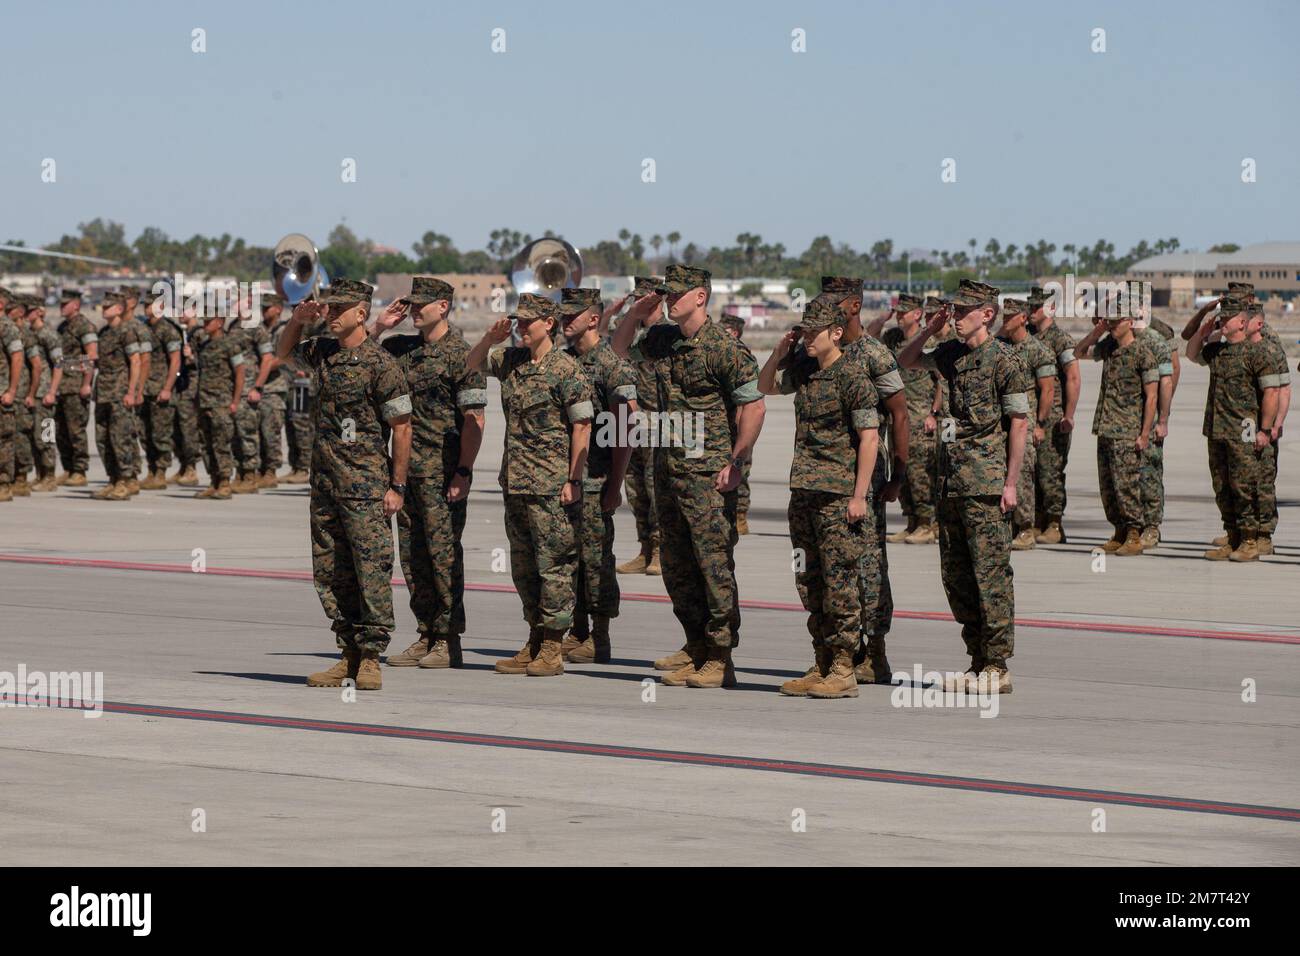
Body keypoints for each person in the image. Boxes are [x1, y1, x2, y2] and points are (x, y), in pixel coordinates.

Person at [625, 265, 765, 688]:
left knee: (713, 565)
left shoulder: (724, 347)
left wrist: (737, 462)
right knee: (677, 565)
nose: (670, 300)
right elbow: (617, 352)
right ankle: (695, 645)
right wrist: (634, 316)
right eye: (667, 294)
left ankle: (720, 657)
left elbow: (754, 407)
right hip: (668, 471)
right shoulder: (662, 340)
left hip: (708, 477)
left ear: (701, 296)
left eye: (678, 294)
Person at [276, 279, 412, 690]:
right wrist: (296, 321)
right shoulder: (323, 353)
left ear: (361, 313)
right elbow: (281, 354)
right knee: (331, 572)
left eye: (341, 309)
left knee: (370, 571)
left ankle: (370, 657)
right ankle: (348, 653)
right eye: (329, 309)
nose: (332, 315)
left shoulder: (380, 364)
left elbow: (402, 428)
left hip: (366, 487)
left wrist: (397, 487)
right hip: (326, 487)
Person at [898, 279, 1029, 694]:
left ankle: (997, 665)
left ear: (987, 314)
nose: (954, 317)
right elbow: (907, 360)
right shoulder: (950, 354)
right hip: (950, 482)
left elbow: (1019, 425)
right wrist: (928, 327)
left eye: (962, 311)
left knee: (990, 576)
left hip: (985, 484)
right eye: (952, 311)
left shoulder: (1004, 361)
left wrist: (1010, 484)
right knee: (956, 576)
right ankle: (976, 661)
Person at [465, 293, 594, 677]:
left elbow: (582, 427)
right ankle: (535, 638)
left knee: (553, 566)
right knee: (523, 568)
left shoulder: (566, 370)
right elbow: (468, 366)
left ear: (548, 324)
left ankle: (553, 646)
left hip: (552, 486)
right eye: (517, 321)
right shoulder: (511, 361)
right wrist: (490, 338)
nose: (520, 327)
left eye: (527, 322)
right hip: (517, 482)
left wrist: (573, 479)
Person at [760, 295, 879, 699]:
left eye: (814, 331)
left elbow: (869, 438)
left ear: (836, 333)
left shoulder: (854, 377)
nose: (807, 336)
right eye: (804, 329)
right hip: (804, 492)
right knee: (808, 581)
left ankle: (845, 667)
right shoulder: (805, 371)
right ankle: (823, 659)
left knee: (840, 582)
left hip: (837, 497)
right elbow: (764, 386)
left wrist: (859, 495)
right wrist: (779, 353)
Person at [373, 277, 486, 670]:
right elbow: (357, 361)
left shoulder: (462, 355)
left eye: (423, 304)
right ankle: (426, 632)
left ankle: (448, 639)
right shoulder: (400, 349)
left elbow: (475, 420)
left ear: (443, 306)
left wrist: (464, 472)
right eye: (411, 303)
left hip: (442, 475)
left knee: (442, 558)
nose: (415, 310)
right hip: (405, 473)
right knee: (413, 557)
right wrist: (379, 326)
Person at [804, 277, 907, 685]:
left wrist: (898, 475)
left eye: (830, 301)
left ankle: (875, 651)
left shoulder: (873, 354)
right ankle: (840, 651)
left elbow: (900, 415)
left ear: (851, 306)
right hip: (826, 478)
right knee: (834, 570)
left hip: (866, 479)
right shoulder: (821, 353)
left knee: (868, 565)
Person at [561, 286, 637, 663]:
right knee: (569, 559)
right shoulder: (562, 362)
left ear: (593, 319)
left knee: (597, 561)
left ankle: (600, 635)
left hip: (596, 481)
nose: (563, 321)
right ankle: (576, 631)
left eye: (571, 315)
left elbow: (624, 431)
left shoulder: (613, 366)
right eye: (561, 315)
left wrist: (615, 486)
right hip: (565, 481)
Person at [1187, 296, 1283, 562]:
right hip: (1217, 429)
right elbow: (1191, 353)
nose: (1222, 322)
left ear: (1242, 322)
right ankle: (1232, 537)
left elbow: (1272, 393)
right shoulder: (1218, 351)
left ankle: (1250, 540)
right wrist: (1204, 332)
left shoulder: (1258, 353)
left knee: (1244, 487)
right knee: (1222, 487)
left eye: (1226, 318)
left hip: (1244, 431)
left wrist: (1265, 430)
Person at [1074, 296, 1159, 556]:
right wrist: (1097, 331)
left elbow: (1152, 396)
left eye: (1115, 321)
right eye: (1109, 321)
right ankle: (1119, 531)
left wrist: (1145, 433)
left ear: (1130, 322)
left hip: (1128, 430)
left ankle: (1134, 533)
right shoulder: (1108, 347)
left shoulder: (1143, 353)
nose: (1111, 325)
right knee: (1108, 486)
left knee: (1127, 485)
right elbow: (1078, 352)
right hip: (1106, 427)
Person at [610, 276, 664, 575]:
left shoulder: (668, 334)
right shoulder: (631, 333)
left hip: (664, 422)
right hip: (630, 421)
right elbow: (611, 347)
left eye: (645, 300)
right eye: (636, 299)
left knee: (658, 490)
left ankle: (660, 551)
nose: (639, 305)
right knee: (635, 489)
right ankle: (645, 548)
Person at [878, 294, 942, 544]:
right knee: (900, 469)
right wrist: (884, 318)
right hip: (897, 418)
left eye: (904, 312)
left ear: (917, 314)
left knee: (920, 473)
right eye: (898, 311)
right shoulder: (893, 340)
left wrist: (933, 413)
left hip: (919, 417)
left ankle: (927, 523)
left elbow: (942, 382)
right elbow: (869, 336)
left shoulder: (930, 342)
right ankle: (912, 520)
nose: (900, 316)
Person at [996, 298, 1056, 550]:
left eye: (1010, 316)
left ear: (1022, 318)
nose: (1005, 321)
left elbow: (1048, 390)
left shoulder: (1037, 350)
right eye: (1003, 316)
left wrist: (1040, 424)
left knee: (1022, 477)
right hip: (1002, 423)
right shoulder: (1000, 347)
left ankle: (1026, 528)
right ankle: (1007, 525)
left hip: (1026, 421)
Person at [1026, 286, 1079, 544]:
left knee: (1050, 472)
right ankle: (1038, 520)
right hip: (1030, 416)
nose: (1031, 312)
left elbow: (1073, 377)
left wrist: (1068, 415)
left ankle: (1055, 524)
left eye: (1036, 307)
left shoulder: (1061, 340)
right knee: (1033, 471)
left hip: (1053, 418)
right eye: (1030, 307)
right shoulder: (1027, 337)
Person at [1244, 303, 1290, 554]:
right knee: (1242, 477)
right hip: (1243, 423)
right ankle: (1243, 531)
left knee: (1263, 478)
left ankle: (1264, 533)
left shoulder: (1270, 345)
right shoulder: (1235, 345)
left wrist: (1276, 423)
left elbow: (1281, 388)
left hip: (1264, 422)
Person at [90, 292, 145, 501]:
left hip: (119, 393)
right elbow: (96, 362)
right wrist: (64, 362)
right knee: (102, 439)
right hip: (103, 392)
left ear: (119, 309)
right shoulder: (104, 333)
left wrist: (132, 391)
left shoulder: (127, 332)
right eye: (103, 307)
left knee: (120, 438)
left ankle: (125, 480)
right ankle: (113, 479)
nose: (104, 310)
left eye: (108, 307)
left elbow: (136, 362)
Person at [193, 309, 245, 500]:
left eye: (209, 321)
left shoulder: (230, 344)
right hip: (204, 402)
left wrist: (235, 401)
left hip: (221, 402)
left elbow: (240, 372)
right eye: (204, 321)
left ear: (220, 322)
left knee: (221, 444)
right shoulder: (204, 345)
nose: (205, 325)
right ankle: (213, 481)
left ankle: (224, 483)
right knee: (206, 444)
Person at [1135, 310, 1177, 547]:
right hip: (1126, 418)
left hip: (1149, 418)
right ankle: (1132, 526)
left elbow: (1168, 378)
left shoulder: (1156, 338)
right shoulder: (1119, 338)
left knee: (1149, 473)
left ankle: (1152, 526)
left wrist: (1163, 418)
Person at [138, 288, 183, 489]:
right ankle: (151, 470)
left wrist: (167, 388)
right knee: (145, 433)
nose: (147, 308)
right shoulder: (143, 328)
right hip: (145, 389)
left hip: (160, 389)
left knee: (160, 434)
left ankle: (161, 472)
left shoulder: (168, 330)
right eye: (145, 305)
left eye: (151, 305)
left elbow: (175, 361)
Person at [53, 288, 97, 487]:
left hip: (76, 386)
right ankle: (68, 468)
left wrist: (87, 383)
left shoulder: (84, 326)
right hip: (62, 386)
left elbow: (90, 357)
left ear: (76, 305)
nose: (62, 307)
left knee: (76, 430)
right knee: (61, 431)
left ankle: (80, 470)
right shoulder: (62, 327)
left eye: (65, 304)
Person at [248, 292, 291, 488]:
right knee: (255, 430)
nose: (264, 311)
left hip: (275, 387)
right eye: (262, 308)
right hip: (259, 386)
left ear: (278, 309)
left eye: (267, 308)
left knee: (270, 432)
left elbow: (283, 358)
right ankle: (260, 469)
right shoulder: (260, 329)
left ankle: (271, 471)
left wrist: (261, 368)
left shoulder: (284, 331)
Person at [720, 311, 754, 534]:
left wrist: (743, 432)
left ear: (733, 331)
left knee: (742, 470)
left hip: (738, 424)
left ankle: (741, 515)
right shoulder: (720, 352)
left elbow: (747, 402)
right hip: (722, 424)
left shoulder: (740, 356)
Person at [27, 298, 63, 492]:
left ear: (40, 312)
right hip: (33, 392)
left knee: (46, 435)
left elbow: (58, 364)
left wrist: (52, 391)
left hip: (45, 392)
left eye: (31, 310)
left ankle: (49, 475)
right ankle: (40, 474)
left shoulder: (49, 335)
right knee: (35, 437)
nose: (28, 314)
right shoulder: (29, 334)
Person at [0, 290, 26, 502]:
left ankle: (4, 483)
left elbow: (17, 358)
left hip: (2, 394)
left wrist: (11, 390)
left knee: (4, 441)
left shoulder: (8, 328)